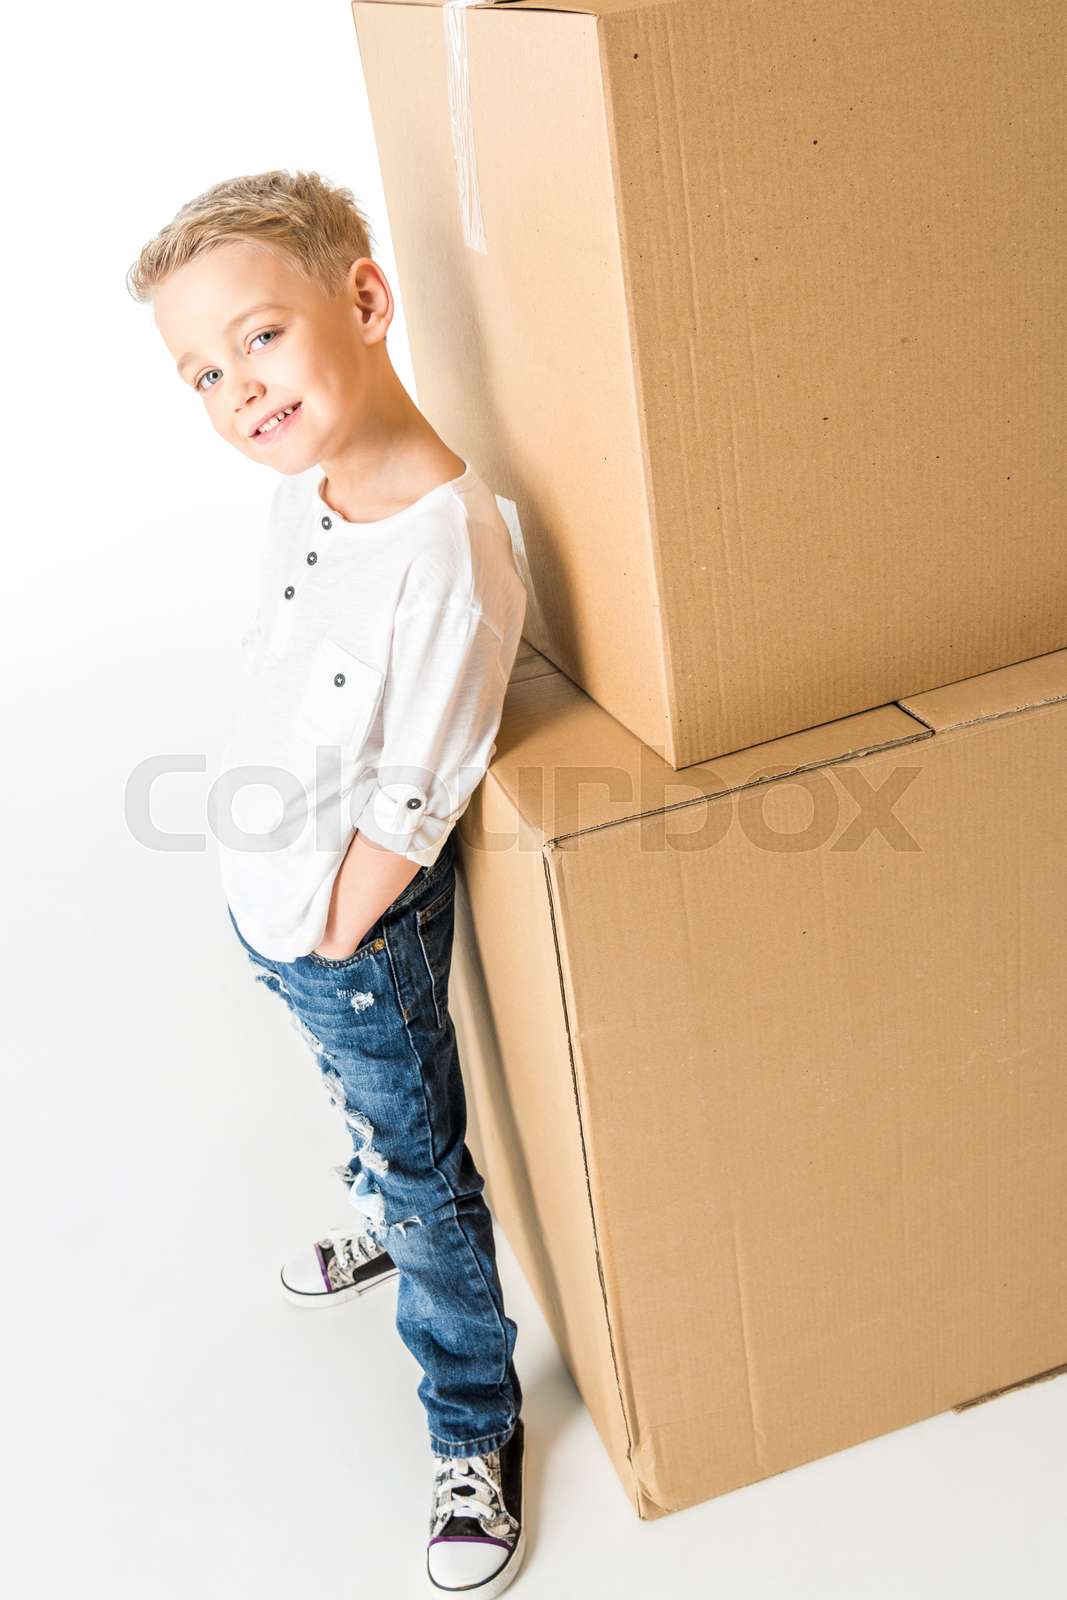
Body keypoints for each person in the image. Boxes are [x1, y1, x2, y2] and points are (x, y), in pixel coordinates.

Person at [128, 168, 528, 1597]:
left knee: (424, 1161)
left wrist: (333, 931)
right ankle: (382, 1208)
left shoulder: (450, 551)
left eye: (260, 336)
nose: (237, 387)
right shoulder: (308, 497)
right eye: (202, 373)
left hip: (347, 937)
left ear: (363, 299)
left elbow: (421, 789)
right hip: (280, 905)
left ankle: (473, 1420)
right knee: (365, 1112)